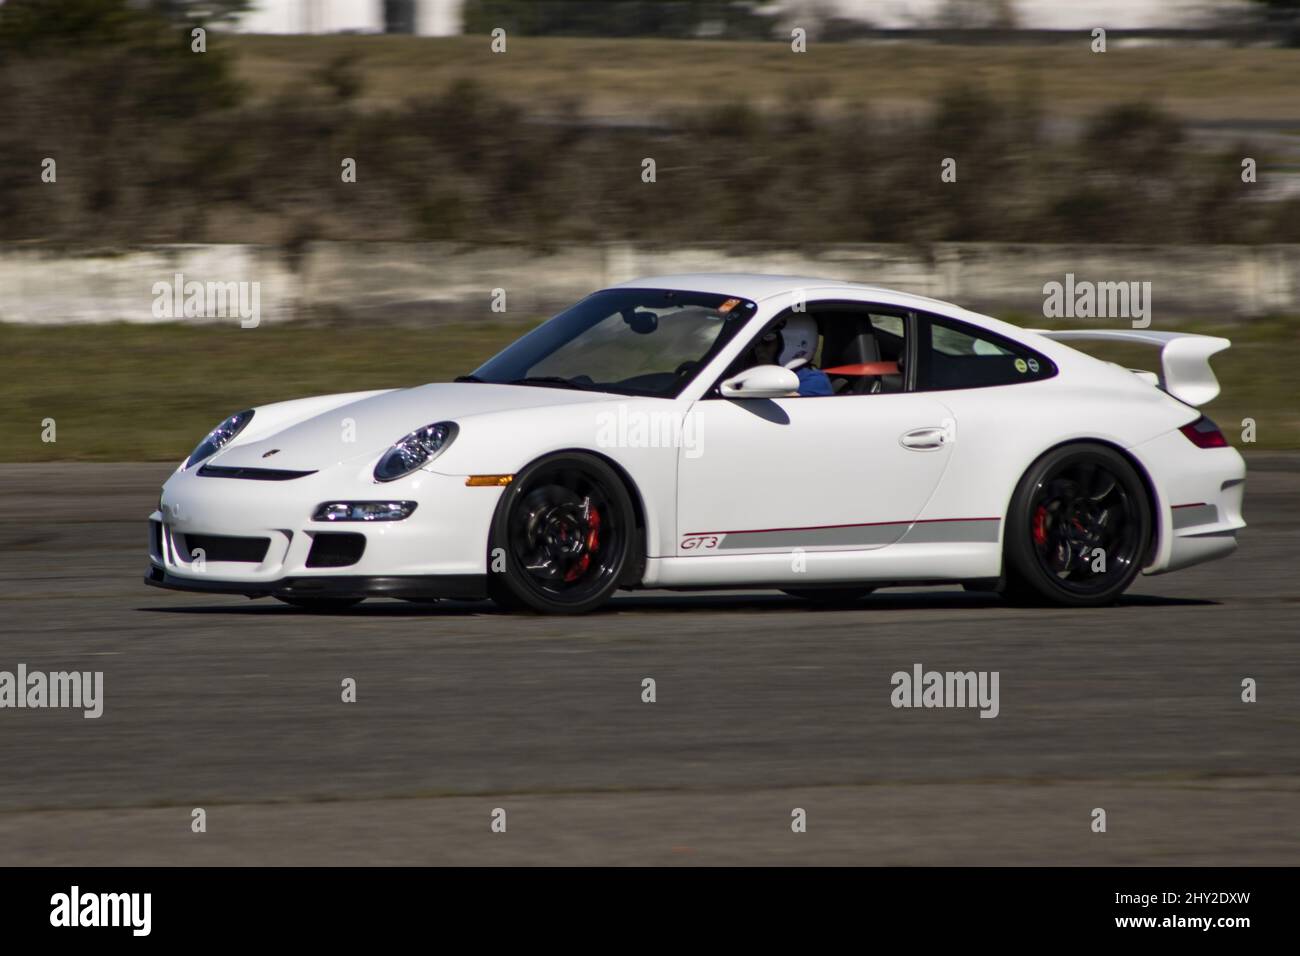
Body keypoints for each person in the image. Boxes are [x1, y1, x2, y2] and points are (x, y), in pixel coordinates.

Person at [747, 315, 832, 396]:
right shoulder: (765, 374)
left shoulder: (814, 382)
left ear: (795, 343)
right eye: (757, 344)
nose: (759, 349)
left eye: (767, 343)